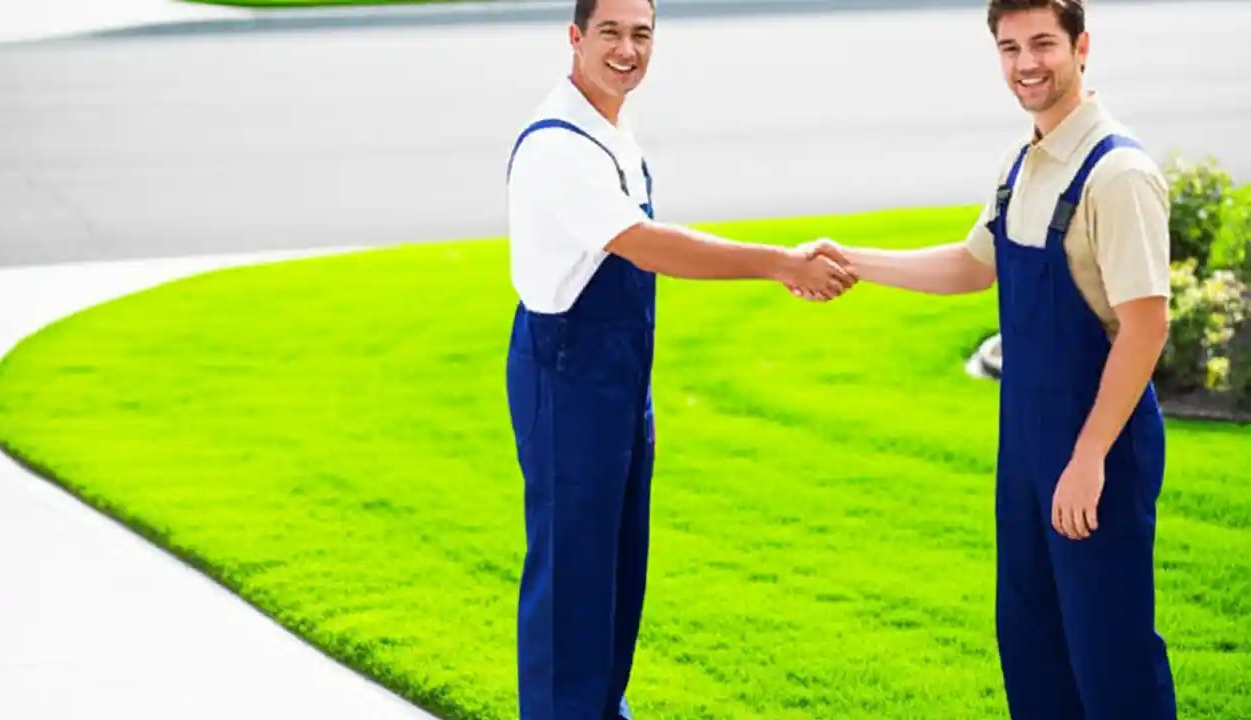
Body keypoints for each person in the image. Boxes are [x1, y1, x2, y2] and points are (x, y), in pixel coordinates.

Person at [797, 1, 1177, 717]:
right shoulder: (1022, 164)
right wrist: (851, 261)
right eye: (1009, 48)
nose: (1026, 64)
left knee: (1110, 651)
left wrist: (1089, 457)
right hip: (1028, 445)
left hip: (1099, 445)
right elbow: (974, 266)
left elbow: (1145, 327)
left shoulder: (1117, 175)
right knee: (1032, 642)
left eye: (1042, 44)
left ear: (1082, 47)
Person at [503, 1, 856, 718]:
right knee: (572, 577)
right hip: (567, 377)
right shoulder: (559, 146)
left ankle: (604, 707)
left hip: (617, 380)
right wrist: (778, 263)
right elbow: (645, 244)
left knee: (618, 565)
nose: (628, 49)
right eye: (610, 32)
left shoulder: (611, 129)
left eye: (641, 34)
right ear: (575, 38)